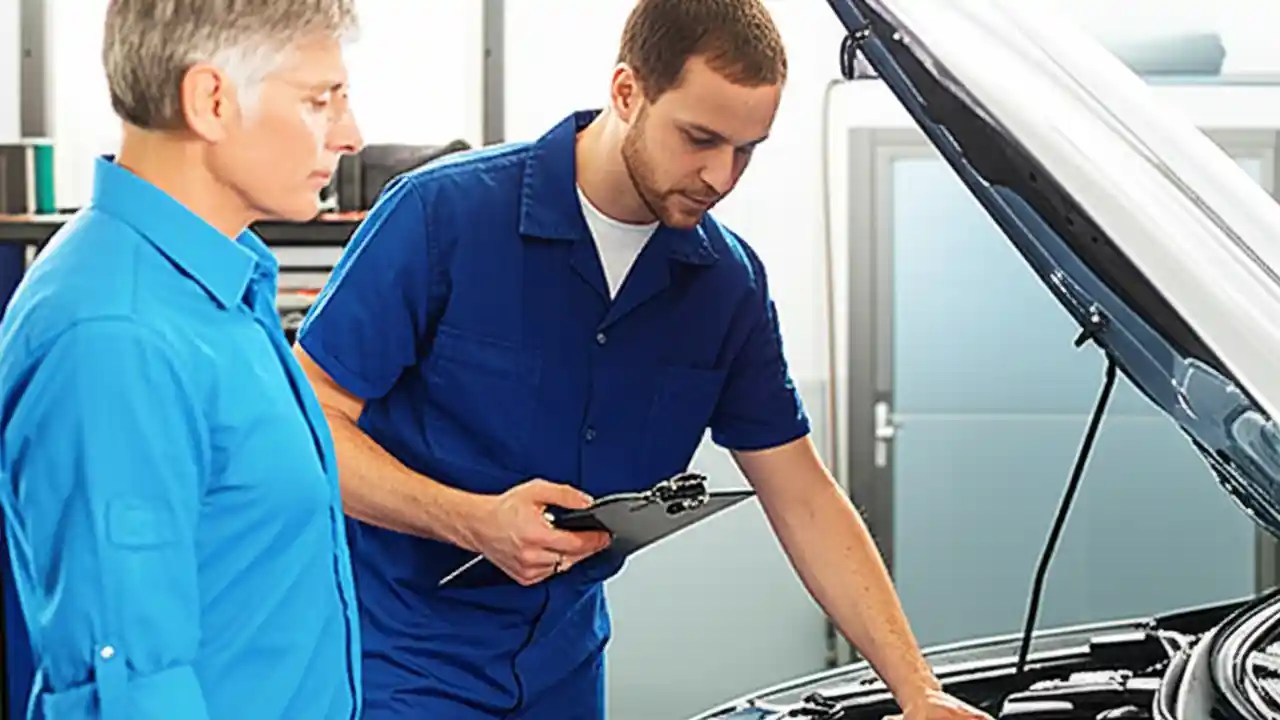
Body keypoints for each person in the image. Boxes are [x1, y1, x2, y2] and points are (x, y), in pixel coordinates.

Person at [294, 0, 991, 718]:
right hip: (395, 664)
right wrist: (469, 519)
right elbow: (308, 427)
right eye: (700, 138)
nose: (721, 176)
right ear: (627, 92)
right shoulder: (441, 218)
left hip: (563, 674)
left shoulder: (728, 287)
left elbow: (805, 497)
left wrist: (918, 691)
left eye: (747, 150)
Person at [0, 1, 365, 718]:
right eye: (321, 102)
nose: (351, 135)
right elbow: (132, 692)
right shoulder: (114, 334)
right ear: (212, 101)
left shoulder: (220, 289)